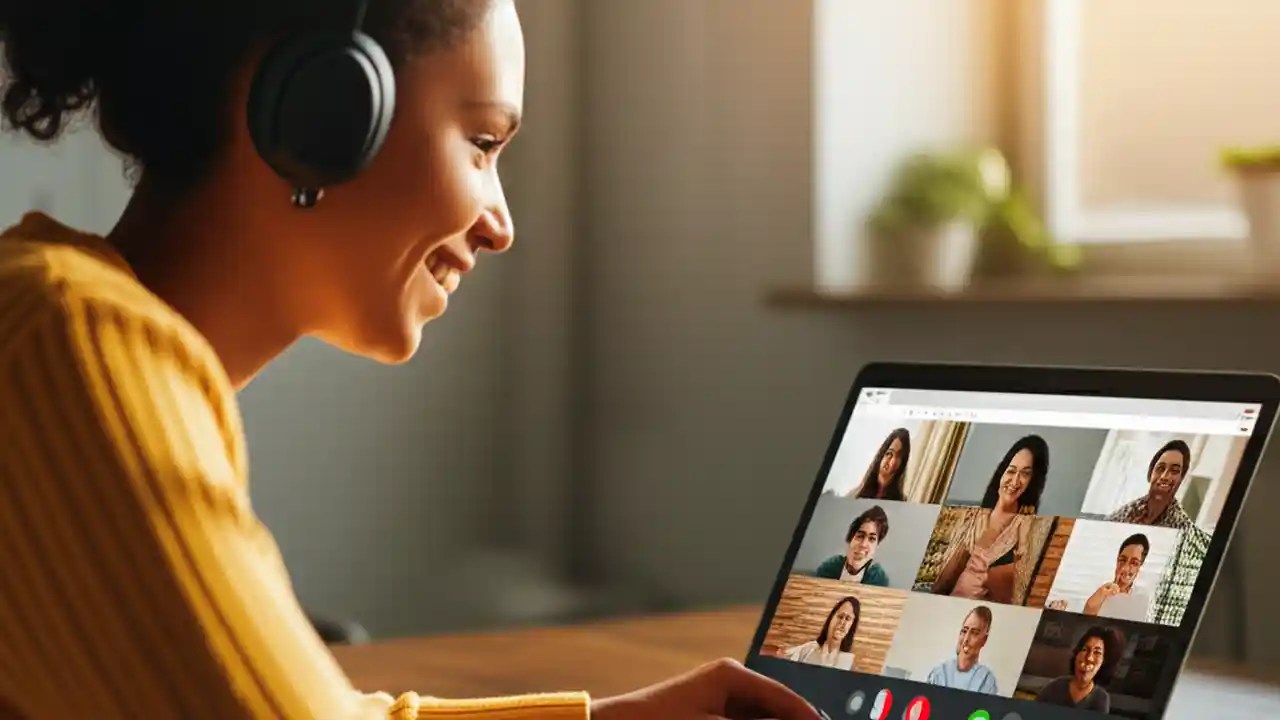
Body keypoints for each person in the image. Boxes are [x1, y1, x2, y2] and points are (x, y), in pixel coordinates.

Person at [0, 2, 822, 719]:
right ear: (323, 109)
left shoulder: (56, 322)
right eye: (481, 142)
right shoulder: (69, 342)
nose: (501, 224)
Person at [931, 435, 1049, 604]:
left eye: (1025, 474)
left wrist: (1024, 537)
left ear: (1033, 481)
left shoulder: (1027, 527)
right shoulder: (975, 516)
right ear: (1002, 472)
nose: (1015, 481)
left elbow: (1020, 588)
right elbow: (944, 580)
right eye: (1011, 470)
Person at [1107, 440, 1210, 625]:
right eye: (1160, 468)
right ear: (1150, 473)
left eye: (1174, 471)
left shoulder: (1183, 530)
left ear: (1181, 479)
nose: (1165, 476)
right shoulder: (1124, 513)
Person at [1047, 533, 1153, 622]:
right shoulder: (1097, 589)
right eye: (1122, 560)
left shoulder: (1143, 599)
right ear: (1117, 560)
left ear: (1140, 566)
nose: (1125, 568)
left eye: (1134, 563)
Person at [1034, 626, 1120, 713]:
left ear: (1104, 662)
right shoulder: (1055, 686)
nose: (1089, 658)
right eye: (1085, 649)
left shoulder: (1101, 698)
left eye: (1097, 652)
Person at [925, 606, 999, 695]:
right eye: (964, 631)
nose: (966, 639)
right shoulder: (939, 672)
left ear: (984, 640)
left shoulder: (987, 680)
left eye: (974, 633)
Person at [814, 505, 891, 586]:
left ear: (876, 546)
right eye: (860, 536)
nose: (863, 544)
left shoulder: (878, 578)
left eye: (871, 539)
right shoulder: (830, 567)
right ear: (850, 539)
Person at [782, 597, 859, 671]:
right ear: (831, 618)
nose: (842, 623)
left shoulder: (849, 663)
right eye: (840, 616)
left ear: (852, 626)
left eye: (848, 619)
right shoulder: (808, 650)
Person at [852, 428, 911, 501]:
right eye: (889, 454)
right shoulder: (857, 493)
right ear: (881, 455)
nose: (892, 462)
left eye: (899, 457)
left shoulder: (901, 502)